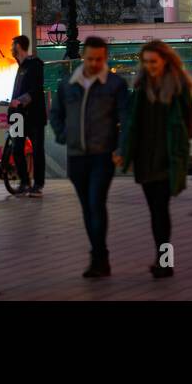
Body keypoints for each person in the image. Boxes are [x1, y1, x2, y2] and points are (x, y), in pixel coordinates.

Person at [49, 36, 128, 279]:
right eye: (91, 58)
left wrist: (121, 149)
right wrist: (63, 136)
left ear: (105, 58)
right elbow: (55, 113)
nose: (95, 63)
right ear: (84, 57)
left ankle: (99, 257)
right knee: (87, 207)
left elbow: (126, 118)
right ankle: (98, 255)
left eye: (100, 59)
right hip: (76, 155)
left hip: (102, 155)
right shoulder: (68, 84)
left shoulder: (114, 84)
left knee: (96, 203)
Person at [118, 40, 192, 279]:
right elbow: (132, 124)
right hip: (145, 158)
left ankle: (165, 262)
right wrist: (126, 152)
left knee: (161, 210)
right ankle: (162, 259)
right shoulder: (141, 88)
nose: (150, 66)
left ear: (165, 60)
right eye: (146, 62)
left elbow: (188, 122)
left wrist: (180, 151)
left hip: (166, 158)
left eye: (154, 61)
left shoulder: (178, 87)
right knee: (155, 211)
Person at [8, 35, 47, 196]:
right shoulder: (20, 67)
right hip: (19, 116)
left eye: (13, 45)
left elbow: (36, 89)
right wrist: (12, 108)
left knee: (37, 150)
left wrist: (20, 101)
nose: (11, 49)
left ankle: (37, 184)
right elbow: (16, 91)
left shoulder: (34, 64)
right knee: (17, 148)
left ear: (19, 46)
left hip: (34, 115)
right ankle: (24, 182)